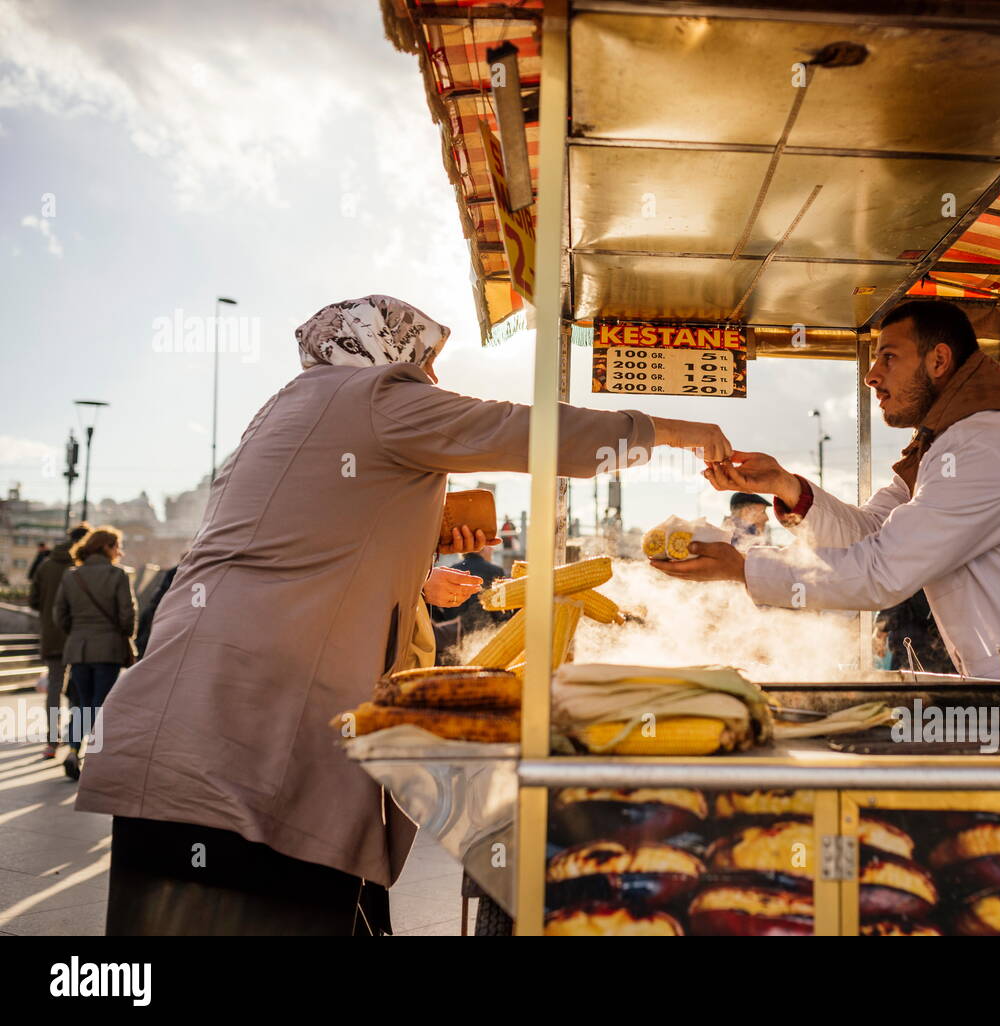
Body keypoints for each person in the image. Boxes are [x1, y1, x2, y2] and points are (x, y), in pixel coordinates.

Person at [75, 294, 730, 936]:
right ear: (385, 349)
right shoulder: (376, 397)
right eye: (424, 361)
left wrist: (422, 555)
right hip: (255, 749)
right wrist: (671, 434)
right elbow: (526, 430)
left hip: (184, 732)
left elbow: (295, 540)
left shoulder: (289, 409)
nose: (432, 380)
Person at [657, 299, 1000, 750]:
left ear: (939, 360)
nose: (872, 375)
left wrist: (744, 567)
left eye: (888, 358)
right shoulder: (945, 449)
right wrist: (786, 488)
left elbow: (880, 572)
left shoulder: (987, 447)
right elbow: (870, 534)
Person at [54, 526, 137, 781]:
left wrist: (78, 631)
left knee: (81, 703)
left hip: (78, 649)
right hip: (108, 649)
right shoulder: (117, 575)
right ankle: (94, 754)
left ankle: (73, 749)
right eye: (116, 546)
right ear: (106, 547)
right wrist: (123, 634)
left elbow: (60, 615)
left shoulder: (72, 576)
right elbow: (127, 614)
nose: (119, 552)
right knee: (101, 703)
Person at [29, 523, 91, 759]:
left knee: (54, 686)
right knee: (80, 686)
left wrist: (48, 612)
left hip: (52, 634)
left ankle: (51, 741)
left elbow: (34, 599)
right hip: (80, 636)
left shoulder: (47, 565)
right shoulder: (82, 565)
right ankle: (74, 735)